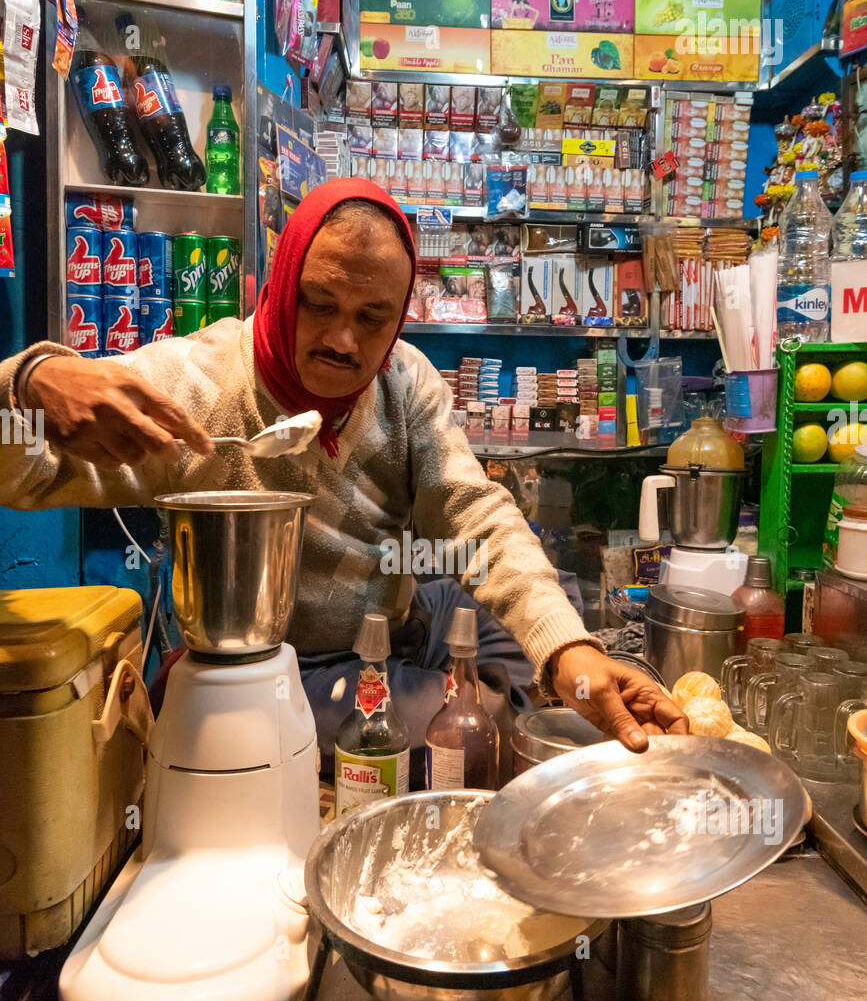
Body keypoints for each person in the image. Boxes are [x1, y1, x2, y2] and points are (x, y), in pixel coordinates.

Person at [0, 178, 686, 781]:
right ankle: (452, 698)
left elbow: (475, 516)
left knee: (552, 611)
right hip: (289, 666)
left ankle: (484, 683)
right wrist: (27, 386)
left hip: (405, 620)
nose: (342, 341)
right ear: (280, 280)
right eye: (317, 303)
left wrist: (571, 653)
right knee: (476, 740)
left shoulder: (403, 379)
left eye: (371, 318)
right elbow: (24, 474)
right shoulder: (193, 383)